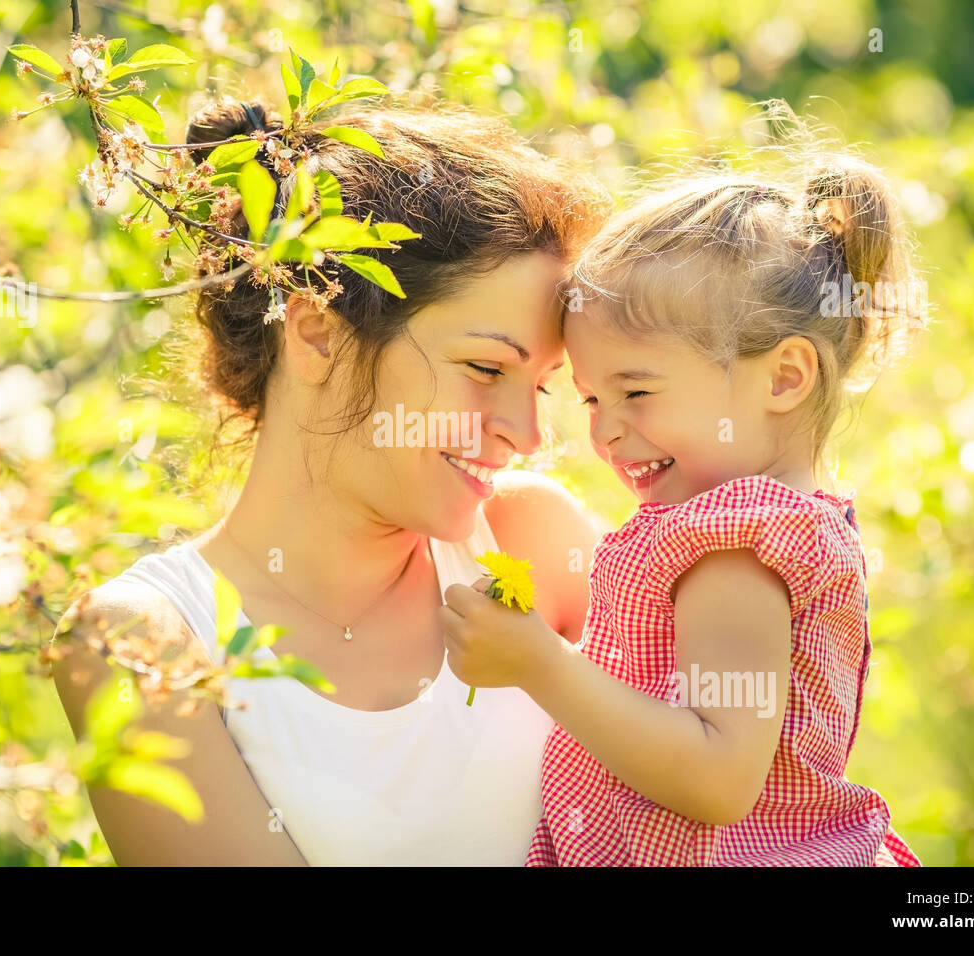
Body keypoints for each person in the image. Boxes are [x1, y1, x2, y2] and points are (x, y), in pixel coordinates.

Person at [51, 94, 610, 864]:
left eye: (541, 384)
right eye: (485, 369)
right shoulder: (142, 644)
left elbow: (739, 788)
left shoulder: (532, 541)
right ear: (316, 333)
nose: (528, 433)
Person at [440, 135, 927, 865]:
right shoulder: (731, 524)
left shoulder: (739, 546)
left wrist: (540, 662)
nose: (605, 430)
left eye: (637, 391)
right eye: (592, 397)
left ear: (784, 379)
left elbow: (717, 777)